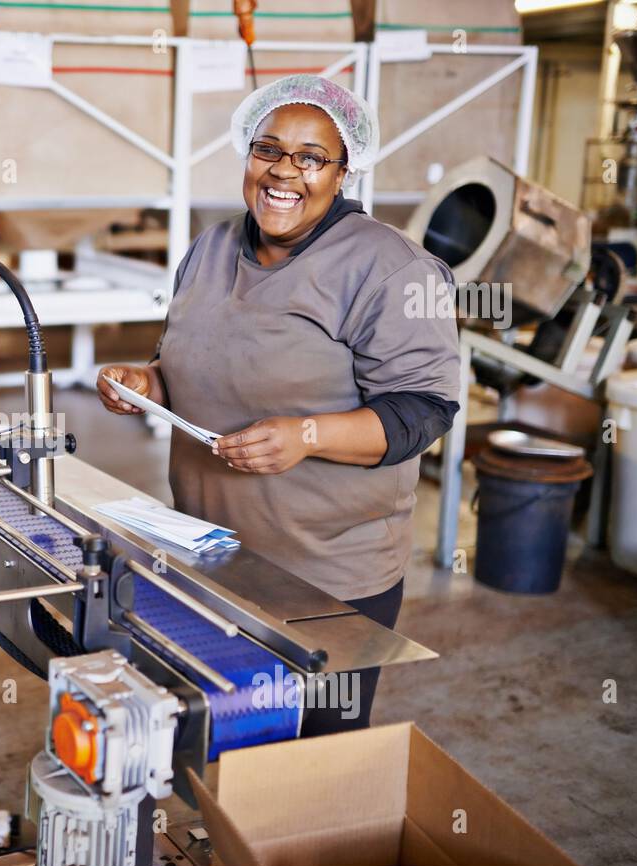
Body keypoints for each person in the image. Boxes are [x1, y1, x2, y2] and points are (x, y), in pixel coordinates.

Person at [96, 75, 460, 735]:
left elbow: (422, 411)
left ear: (344, 171)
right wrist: (148, 382)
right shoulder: (209, 248)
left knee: (311, 769)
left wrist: (309, 435)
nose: (284, 171)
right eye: (269, 150)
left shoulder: (391, 269)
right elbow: (193, 359)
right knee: (226, 743)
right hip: (212, 554)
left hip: (327, 578)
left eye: (312, 157)